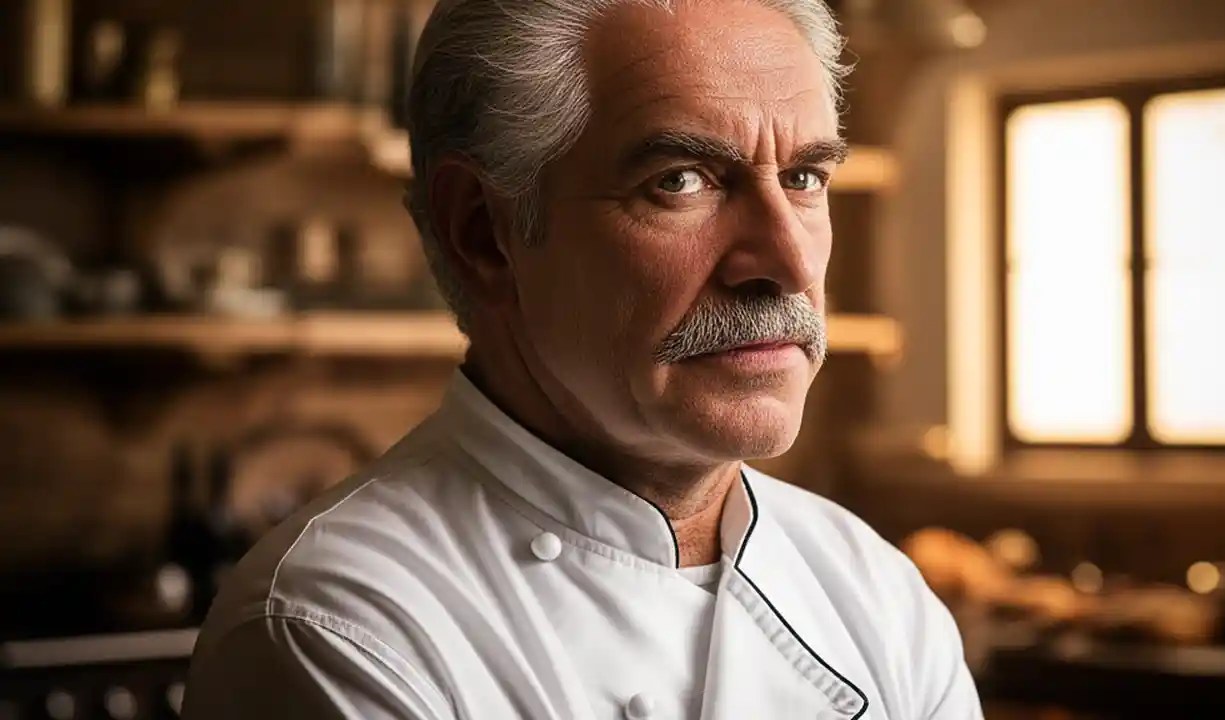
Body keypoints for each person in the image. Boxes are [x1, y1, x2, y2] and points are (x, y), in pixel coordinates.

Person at [183, 0, 983, 718]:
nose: (789, 261)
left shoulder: (877, 595)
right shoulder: (338, 629)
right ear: (483, 234)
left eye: (805, 176)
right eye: (681, 181)